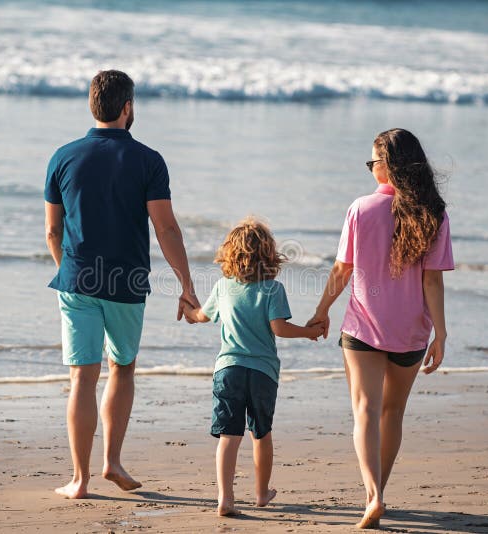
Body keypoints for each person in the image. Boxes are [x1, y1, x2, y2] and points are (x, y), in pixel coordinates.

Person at [44, 70, 199, 499]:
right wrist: (186, 285)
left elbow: (52, 233)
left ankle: (79, 479)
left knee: (82, 378)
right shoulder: (149, 160)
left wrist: (70, 272)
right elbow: (166, 229)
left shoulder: (63, 157)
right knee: (122, 367)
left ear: (92, 105)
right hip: (127, 282)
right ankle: (112, 460)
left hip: (76, 279)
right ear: (127, 108)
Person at [306, 128, 454, 529]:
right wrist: (440, 334)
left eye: (374, 161)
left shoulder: (361, 208)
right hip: (411, 332)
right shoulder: (434, 213)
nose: (371, 168)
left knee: (365, 411)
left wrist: (321, 311)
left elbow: (342, 269)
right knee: (393, 412)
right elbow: (432, 281)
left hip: (363, 328)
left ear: (389, 165)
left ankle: (374, 495)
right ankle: (380, 490)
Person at [182, 217, 324, 516]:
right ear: (269, 255)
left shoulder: (222, 287)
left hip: (228, 370)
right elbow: (279, 328)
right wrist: (310, 331)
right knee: (261, 433)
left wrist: (188, 308)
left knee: (228, 436)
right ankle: (261, 493)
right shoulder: (273, 289)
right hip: (262, 373)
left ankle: (225, 498)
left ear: (229, 253)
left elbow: (201, 317)